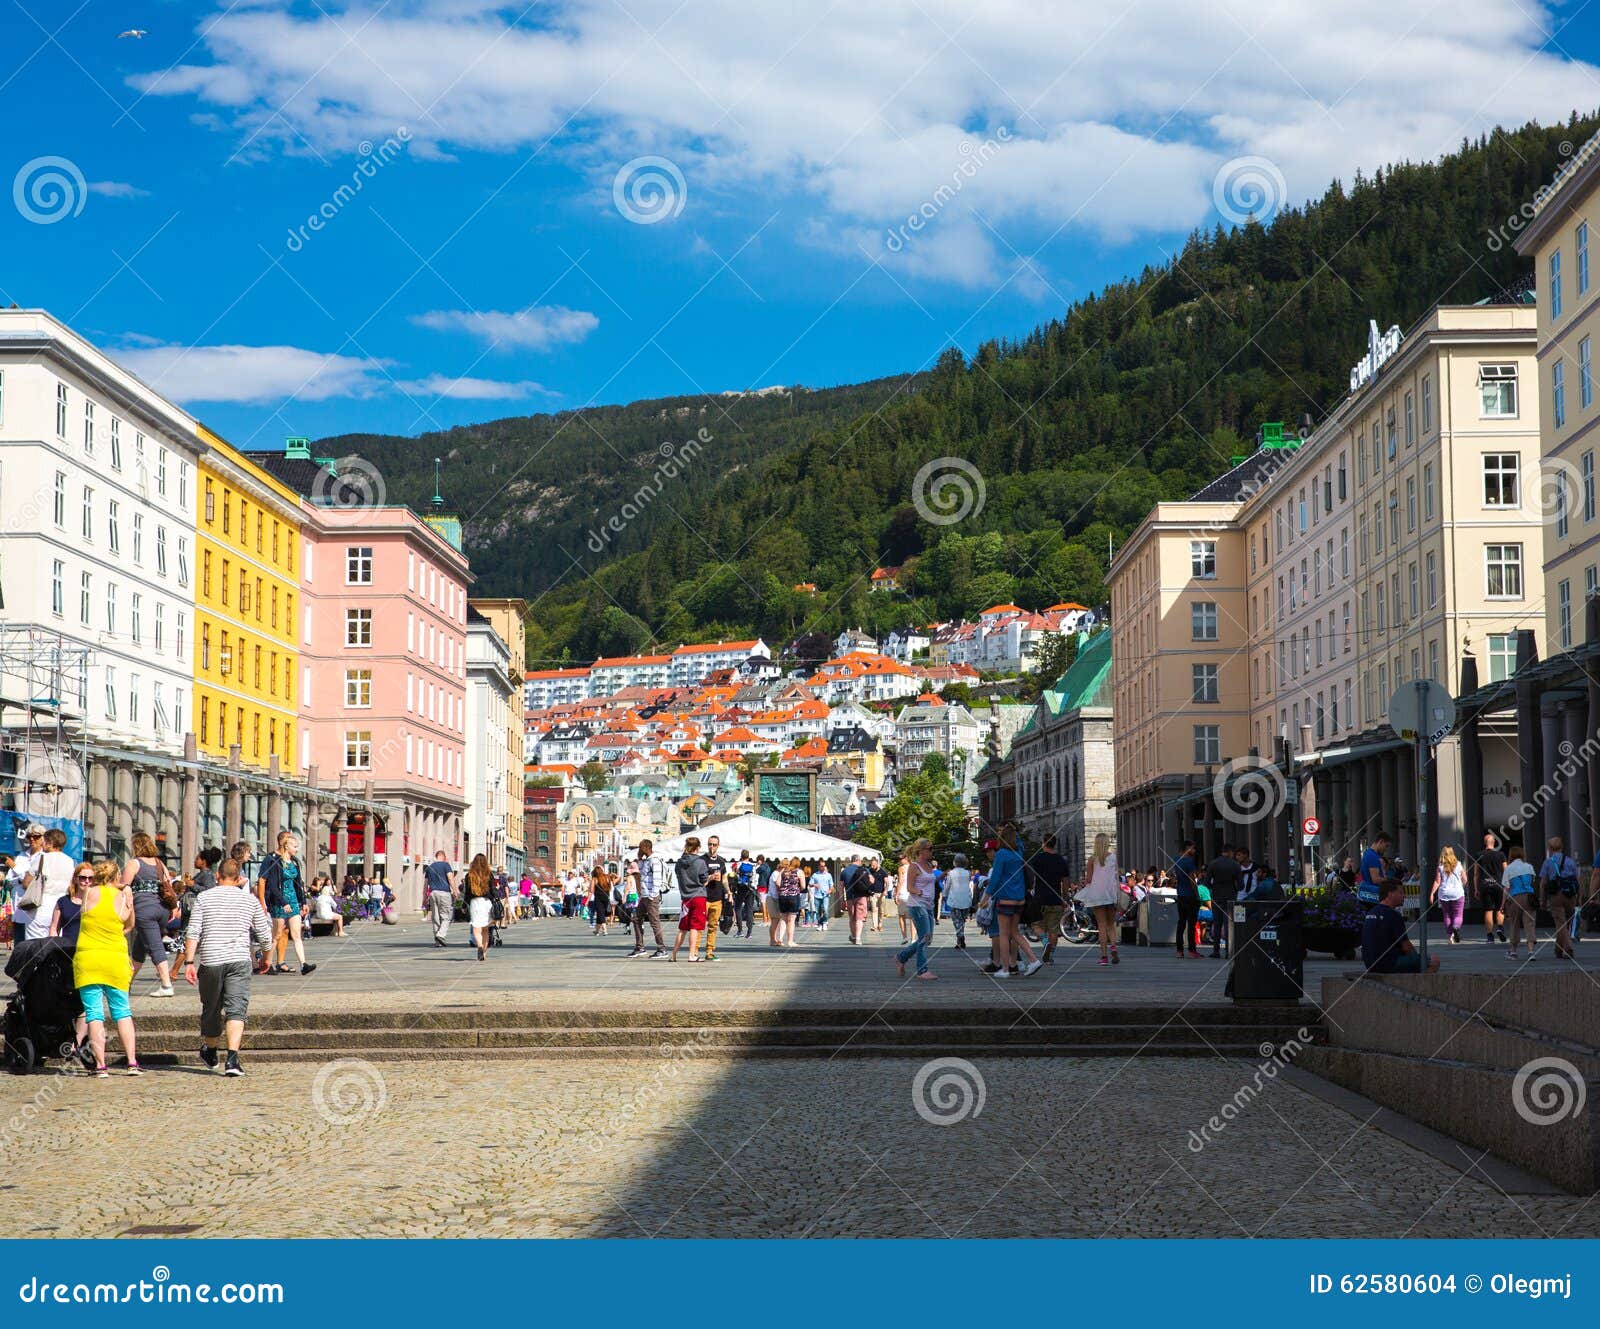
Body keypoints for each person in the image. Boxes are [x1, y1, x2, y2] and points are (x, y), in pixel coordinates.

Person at [182, 857, 272, 1077]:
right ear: (239, 878)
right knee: (236, 1009)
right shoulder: (249, 900)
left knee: (211, 1008)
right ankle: (232, 1060)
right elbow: (264, 934)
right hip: (240, 960)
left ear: (217, 876)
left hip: (211, 959)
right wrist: (266, 957)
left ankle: (212, 1050)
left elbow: (193, 932)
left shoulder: (204, 897)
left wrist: (189, 962)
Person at [73, 855, 140, 1077]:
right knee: (122, 1011)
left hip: (88, 958)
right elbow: (129, 925)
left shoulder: (88, 894)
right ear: (117, 876)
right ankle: (131, 1062)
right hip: (115, 958)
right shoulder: (123, 897)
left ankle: (101, 1065)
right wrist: (126, 892)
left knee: (94, 1013)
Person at [120, 831, 177, 995]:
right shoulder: (160, 863)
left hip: (144, 910)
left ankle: (166, 985)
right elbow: (169, 887)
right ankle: (126, 983)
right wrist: (173, 907)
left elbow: (124, 886)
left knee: (155, 947)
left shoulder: (134, 863)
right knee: (140, 947)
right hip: (162, 910)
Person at [257, 831, 315, 977]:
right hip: (279, 902)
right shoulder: (274, 860)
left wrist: (303, 902)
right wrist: (277, 902)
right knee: (276, 935)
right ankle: (267, 963)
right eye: (294, 846)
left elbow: (298, 884)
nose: (297, 848)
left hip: (294, 901)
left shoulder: (294, 862)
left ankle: (303, 964)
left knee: (296, 934)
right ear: (286, 845)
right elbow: (272, 884)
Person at [1361, 878, 1439, 974]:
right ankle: (1420, 986)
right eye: (1400, 893)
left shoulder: (1371, 912)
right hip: (1388, 963)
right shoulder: (1393, 915)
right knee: (1433, 961)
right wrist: (1417, 959)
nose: (1404, 896)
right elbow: (1406, 946)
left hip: (1370, 964)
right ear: (1390, 894)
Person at [894, 838, 940, 981]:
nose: (932, 850)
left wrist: (942, 876)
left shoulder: (928, 866)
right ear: (921, 851)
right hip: (917, 905)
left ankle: (901, 957)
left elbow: (929, 882)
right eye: (929, 848)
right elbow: (909, 887)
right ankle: (922, 970)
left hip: (928, 906)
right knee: (925, 937)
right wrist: (919, 892)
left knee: (926, 938)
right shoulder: (914, 866)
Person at [1078, 833, 1121, 966]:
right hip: (1110, 894)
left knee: (1101, 925)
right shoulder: (1113, 858)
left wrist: (1084, 882)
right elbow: (1116, 878)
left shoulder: (1092, 859)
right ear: (1107, 843)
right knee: (1111, 925)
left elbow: (1089, 880)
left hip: (1097, 895)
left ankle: (1104, 957)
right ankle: (1113, 947)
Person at [1537, 835, 1581, 961]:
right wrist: (1579, 898)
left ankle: (1568, 948)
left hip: (1556, 896)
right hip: (1570, 895)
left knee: (1560, 923)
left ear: (1550, 849)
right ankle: (1558, 949)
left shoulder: (1548, 862)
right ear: (1561, 847)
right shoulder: (1571, 861)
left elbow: (1543, 883)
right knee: (1565, 923)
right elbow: (1578, 881)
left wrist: (1542, 900)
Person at [1028, 835, 1070, 963]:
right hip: (1055, 899)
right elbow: (1065, 881)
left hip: (1040, 898)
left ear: (1043, 844)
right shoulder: (1061, 860)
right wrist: (1064, 898)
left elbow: (1031, 877)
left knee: (1035, 925)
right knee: (1054, 930)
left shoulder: (1037, 859)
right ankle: (1050, 956)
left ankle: (1045, 942)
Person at [626, 839, 668, 958]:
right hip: (643, 896)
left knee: (654, 922)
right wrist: (639, 858)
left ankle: (661, 948)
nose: (639, 850)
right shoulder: (646, 861)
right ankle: (640, 947)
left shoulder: (654, 860)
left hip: (651, 897)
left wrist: (652, 895)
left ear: (645, 847)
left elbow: (657, 880)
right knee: (636, 919)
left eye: (640, 847)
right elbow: (641, 873)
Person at [671, 838, 710, 962]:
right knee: (694, 927)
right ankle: (692, 955)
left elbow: (678, 875)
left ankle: (673, 955)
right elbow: (704, 880)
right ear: (697, 848)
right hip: (698, 897)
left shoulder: (679, 862)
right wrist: (712, 877)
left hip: (686, 898)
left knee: (682, 928)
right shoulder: (700, 862)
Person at [1204, 842, 1242, 958]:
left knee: (1217, 923)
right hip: (1230, 897)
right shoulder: (1235, 865)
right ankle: (1228, 951)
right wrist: (1234, 888)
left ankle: (1216, 951)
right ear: (1230, 852)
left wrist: (1214, 888)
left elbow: (1206, 882)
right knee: (1228, 924)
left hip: (1217, 897)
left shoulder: (1213, 864)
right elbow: (1241, 885)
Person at [1502, 845, 1538, 959]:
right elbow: (1532, 881)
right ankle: (1531, 951)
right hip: (1529, 898)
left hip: (1515, 898)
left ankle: (1513, 951)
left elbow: (1506, 889)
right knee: (1529, 924)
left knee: (1514, 923)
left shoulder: (1509, 868)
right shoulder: (1529, 867)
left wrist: (1502, 904)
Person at [48, 861, 93, 948]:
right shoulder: (63, 902)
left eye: (90, 878)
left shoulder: (97, 902)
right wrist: (53, 948)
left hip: (90, 951)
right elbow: (54, 928)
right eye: (83, 878)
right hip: (67, 950)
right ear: (75, 879)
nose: (87, 881)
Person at [1431, 845, 1467, 945]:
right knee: (1458, 914)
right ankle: (1456, 928)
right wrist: (1460, 886)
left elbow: (1437, 882)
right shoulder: (1459, 864)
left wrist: (1432, 893)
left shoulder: (1440, 867)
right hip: (1458, 893)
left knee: (1447, 915)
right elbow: (1465, 879)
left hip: (1444, 893)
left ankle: (1450, 935)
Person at [1172, 839, 1202, 958]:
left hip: (1180, 894)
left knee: (1181, 923)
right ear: (1188, 848)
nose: (1194, 851)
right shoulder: (1189, 861)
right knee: (1191, 924)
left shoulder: (1175, 859)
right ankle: (1191, 950)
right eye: (1193, 848)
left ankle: (1179, 951)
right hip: (1190, 895)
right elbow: (1191, 879)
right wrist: (1197, 894)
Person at [701, 835, 728, 960]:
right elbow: (699, 881)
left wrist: (729, 892)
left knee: (713, 926)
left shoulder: (721, 861)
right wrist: (710, 877)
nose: (712, 847)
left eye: (714, 845)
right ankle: (694, 951)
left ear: (718, 845)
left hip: (717, 898)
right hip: (704, 897)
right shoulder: (702, 860)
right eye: (710, 844)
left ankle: (709, 952)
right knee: (700, 926)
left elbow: (724, 879)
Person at [1479, 832, 1508, 945]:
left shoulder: (1479, 855)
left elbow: (1476, 874)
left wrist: (1476, 888)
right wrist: (1507, 885)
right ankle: (1500, 927)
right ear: (1494, 843)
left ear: (1484, 843)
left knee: (1488, 910)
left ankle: (1490, 935)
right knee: (1500, 908)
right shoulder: (1501, 855)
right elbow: (1506, 870)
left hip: (1485, 885)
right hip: (1498, 885)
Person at [465, 854, 495, 961]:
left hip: (474, 902)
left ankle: (479, 946)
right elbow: (493, 891)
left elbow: (467, 893)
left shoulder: (469, 875)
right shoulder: (489, 874)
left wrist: (466, 903)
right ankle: (484, 953)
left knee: (476, 928)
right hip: (486, 902)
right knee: (486, 929)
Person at [423, 850, 455, 947]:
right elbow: (450, 878)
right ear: (443, 857)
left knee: (435, 917)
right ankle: (441, 935)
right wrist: (455, 891)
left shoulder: (429, 868)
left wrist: (424, 898)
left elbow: (425, 885)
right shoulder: (446, 865)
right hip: (444, 893)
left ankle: (437, 942)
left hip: (433, 893)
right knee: (446, 917)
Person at [942, 853, 974, 948]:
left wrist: (944, 895)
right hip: (966, 899)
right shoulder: (968, 873)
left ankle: (960, 937)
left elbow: (947, 886)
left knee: (956, 920)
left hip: (954, 899)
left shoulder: (951, 873)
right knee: (962, 920)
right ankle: (960, 937)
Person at [772, 857, 804, 948]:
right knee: (791, 920)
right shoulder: (799, 872)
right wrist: (797, 889)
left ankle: (780, 939)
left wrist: (783, 889)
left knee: (783, 918)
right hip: (793, 896)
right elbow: (803, 885)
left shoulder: (783, 871)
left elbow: (777, 883)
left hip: (782, 897)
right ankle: (790, 941)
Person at [1358, 832, 1393, 906]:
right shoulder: (1372, 856)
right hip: (1372, 897)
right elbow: (1376, 879)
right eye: (1386, 846)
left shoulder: (1368, 854)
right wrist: (1391, 880)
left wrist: (1383, 869)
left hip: (1368, 895)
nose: (1386, 849)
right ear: (1381, 841)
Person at [732, 851, 757, 939]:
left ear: (741, 856)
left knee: (738, 908)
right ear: (748, 856)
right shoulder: (753, 865)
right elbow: (754, 878)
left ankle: (740, 931)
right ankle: (749, 933)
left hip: (741, 888)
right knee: (749, 910)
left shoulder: (738, 864)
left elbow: (734, 876)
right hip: (750, 888)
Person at [809, 859, 834, 934]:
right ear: (819, 867)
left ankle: (825, 922)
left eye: (824, 866)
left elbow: (832, 886)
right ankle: (819, 924)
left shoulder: (828, 875)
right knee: (818, 910)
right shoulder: (815, 875)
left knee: (825, 909)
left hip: (825, 895)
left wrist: (829, 891)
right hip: (817, 895)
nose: (823, 867)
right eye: (821, 866)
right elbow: (810, 884)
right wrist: (814, 885)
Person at [590, 863, 613, 937]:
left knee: (600, 914)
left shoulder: (595, 879)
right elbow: (611, 886)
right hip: (606, 897)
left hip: (598, 898)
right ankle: (596, 931)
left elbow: (591, 890)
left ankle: (605, 930)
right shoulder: (607, 877)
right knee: (600, 914)